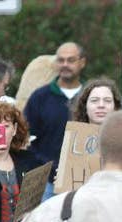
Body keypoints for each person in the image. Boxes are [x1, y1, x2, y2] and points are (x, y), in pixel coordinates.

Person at [24, 42, 86, 191]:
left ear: (82, 62)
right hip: (45, 183)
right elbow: (25, 139)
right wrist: (49, 167)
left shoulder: (92, 96)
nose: (65, 64)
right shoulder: (39, 98)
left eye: (71, 60)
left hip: (85, 182)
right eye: (60, 60)